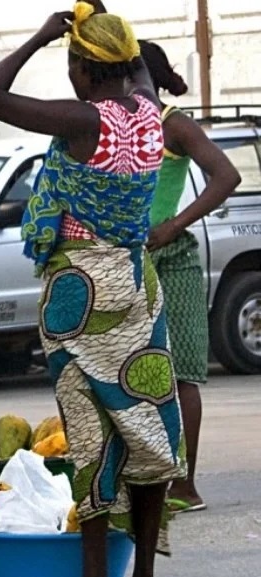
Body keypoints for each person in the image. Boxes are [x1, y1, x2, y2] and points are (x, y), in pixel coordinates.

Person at [0, 2, 186, 577]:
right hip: (138, 286)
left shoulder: (82, 122)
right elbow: (139, 64)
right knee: (147, 433)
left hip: (80, 296)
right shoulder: (147, 112)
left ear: (85, 71)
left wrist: (42, 34)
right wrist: (105, 25)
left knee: (91, 437)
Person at [135, 39, 241, 515]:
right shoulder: (115, 126)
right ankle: (143, 480)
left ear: (142, 77)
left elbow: (226, 175)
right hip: (124, 260)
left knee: (182, 376)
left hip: (172, 257)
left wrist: (173, 225)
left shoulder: (171, 123)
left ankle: (184, 484)